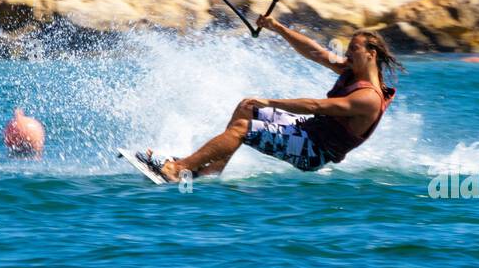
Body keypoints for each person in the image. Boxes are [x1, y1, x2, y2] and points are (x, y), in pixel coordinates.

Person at [148, 17, 398, 181]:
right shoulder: (349, 70)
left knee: (242, 129)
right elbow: (316, 53)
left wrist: (270, 101)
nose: (346, 55)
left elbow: (317, 106)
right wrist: (277, 28)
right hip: (308, 131)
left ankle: (180, 169)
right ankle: (209, 171)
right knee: (246, 107)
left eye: (353, 50)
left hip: (313, 151)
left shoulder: (368, 98)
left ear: (371, 54)